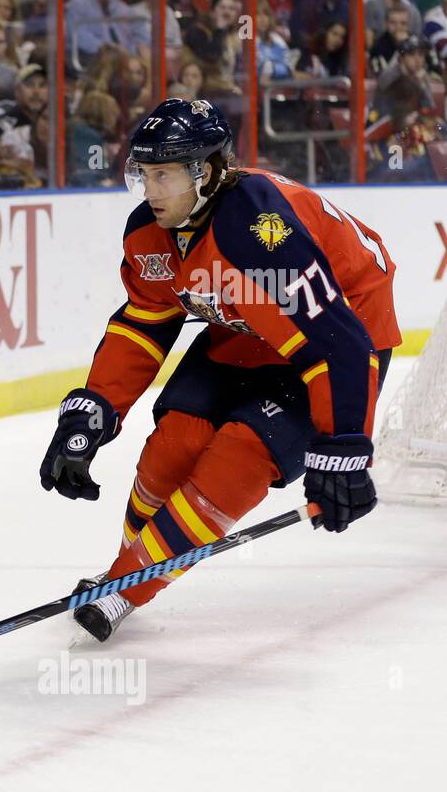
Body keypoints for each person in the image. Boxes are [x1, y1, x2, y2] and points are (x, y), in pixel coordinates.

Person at [39, 98, 400, 642]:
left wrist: (344, 444)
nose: (151, 189)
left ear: (205, 172)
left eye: (164, 175)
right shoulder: (150, 233)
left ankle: (124, 586)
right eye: (145, 174)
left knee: (239, 458)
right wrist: (97, 408)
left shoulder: (260, 231)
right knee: (174, 445)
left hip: (344, 332)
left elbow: (336, 342)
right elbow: (145, 320)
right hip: (248, 327)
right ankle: (126, 575)